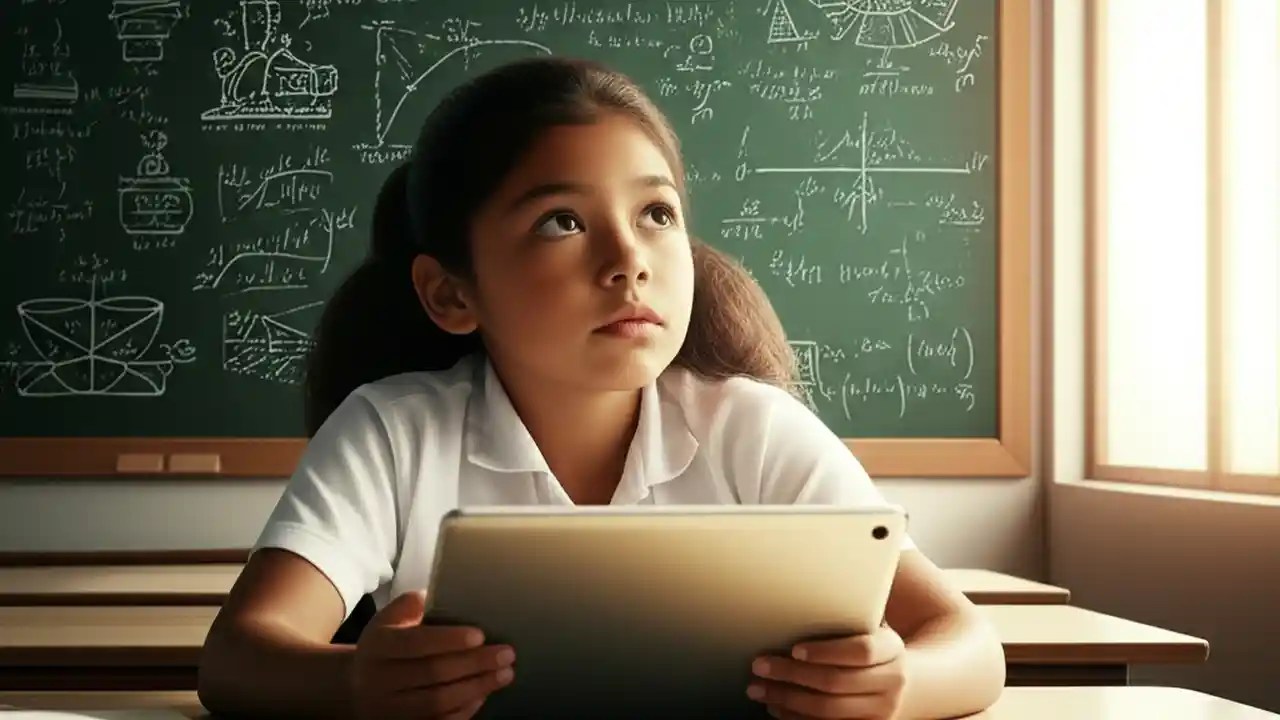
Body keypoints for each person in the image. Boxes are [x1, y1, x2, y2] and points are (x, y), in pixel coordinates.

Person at [197, 56, 1006, 720]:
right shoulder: (391, 433)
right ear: (450, 293)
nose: (629, 261)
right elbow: (237, 657)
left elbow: (968, 645)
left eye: (657, 213)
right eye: (563, 221)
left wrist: (899, 684)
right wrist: (354, 685)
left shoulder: (755, 430)